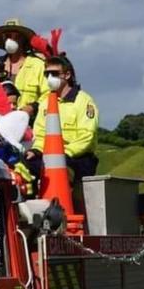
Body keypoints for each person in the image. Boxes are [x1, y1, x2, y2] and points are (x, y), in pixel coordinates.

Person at [20, 55, 99, 191]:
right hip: (50, 156)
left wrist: (63, 153)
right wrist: (35, 151)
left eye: (55, 73)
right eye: (47, 74)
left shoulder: (84, 101)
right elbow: (40, 135)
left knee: (59, 168)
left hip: (77, 158)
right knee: (23, 164)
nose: (50, 77)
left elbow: (87, 136)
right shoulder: (45, 104)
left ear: (67, 75)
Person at [0, 18, 50, 120]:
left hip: (31, 124)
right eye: (7, 36)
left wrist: (32, 108)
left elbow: (48, 95)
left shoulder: (38, 65)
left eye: (16, 36)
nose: (11, 40)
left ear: (23, 39)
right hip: (0, 123)